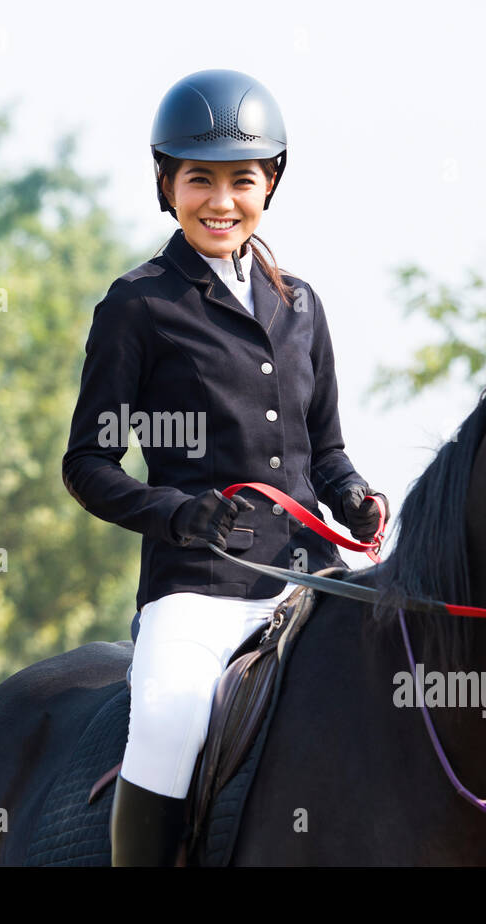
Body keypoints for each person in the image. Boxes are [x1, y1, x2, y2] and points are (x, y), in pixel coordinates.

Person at [61, 68, 388, 867]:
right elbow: (88, 463)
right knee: (170, 717)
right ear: (166, 185)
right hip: (198, 589)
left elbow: (328, 446)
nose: (220, 201)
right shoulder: (137, 306)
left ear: (269, 185)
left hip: (313, 581)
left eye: (241, 180)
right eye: (198, 179)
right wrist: (176, 511)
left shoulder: (302, 305)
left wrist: (354, 497)